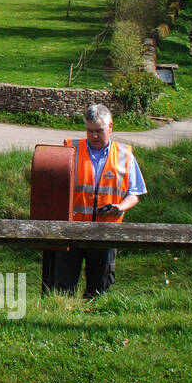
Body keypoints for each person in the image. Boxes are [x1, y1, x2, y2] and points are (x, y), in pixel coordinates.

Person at [52, 103, 147, 298]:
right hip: (73, 231)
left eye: (99, 131)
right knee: (63, 285)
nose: (94, 136)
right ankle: (62, 317)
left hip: (106, 232)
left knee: (100, 288)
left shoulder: (124, 155)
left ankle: (95, 318)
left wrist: (120, 207)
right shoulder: (70, 149)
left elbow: (134, 193)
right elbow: (54, 187)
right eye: (90, 131)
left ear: (110, 127)